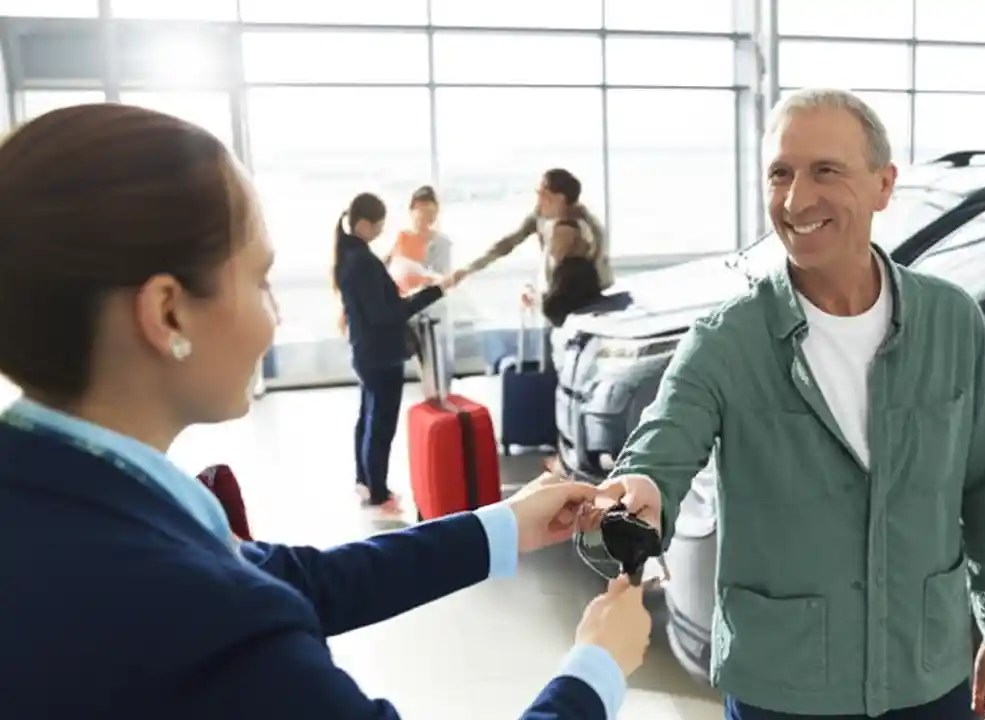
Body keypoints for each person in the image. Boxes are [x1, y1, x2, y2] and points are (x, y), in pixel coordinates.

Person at [0, 103, 651, 720]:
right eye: (261, 282)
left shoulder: (59, 492)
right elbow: (247, 595)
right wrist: (596, 669)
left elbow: (291, 577)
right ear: (168, 311)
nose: (275, 316)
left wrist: (503, 526)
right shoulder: (203, 620)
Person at [592, 89, 985, 720]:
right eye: (781, 174)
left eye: (826, 170)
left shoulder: (952, 322)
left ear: (884, 186)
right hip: (784, 689)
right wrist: (637, 497)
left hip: (926, 673)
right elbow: (659, 450)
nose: (797, 200)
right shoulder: (726, 341)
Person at [333, 192, 442, 517]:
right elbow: (386, 314)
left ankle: (365, 481)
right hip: (382, 353)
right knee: (380, 423)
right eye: (378, 225)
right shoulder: (363, 260)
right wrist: (430, 294)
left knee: (367, 416)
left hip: (365, 350)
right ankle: (379, 493)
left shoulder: (347, 256)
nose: (381, 231)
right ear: (364, 224)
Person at [449, 168, 614, 294]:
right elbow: (509, 243)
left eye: (543, 194)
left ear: (559, 199)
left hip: (591, 299)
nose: (539, 200)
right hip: (558, 302)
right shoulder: (540, 217)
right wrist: (468, 269)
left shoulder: (587, 228)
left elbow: (584, 275)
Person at [386, 185, 457, 392]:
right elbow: (390, 270)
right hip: (409, 310)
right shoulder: (401, 240)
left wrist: (422, 277)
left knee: (439, 365)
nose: (426, 219)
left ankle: (441, 399)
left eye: (431, 213)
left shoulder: (442, 243)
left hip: (433, 309)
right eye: (421, 212)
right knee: (421, 365)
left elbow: (443, 277)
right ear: (412, 212)